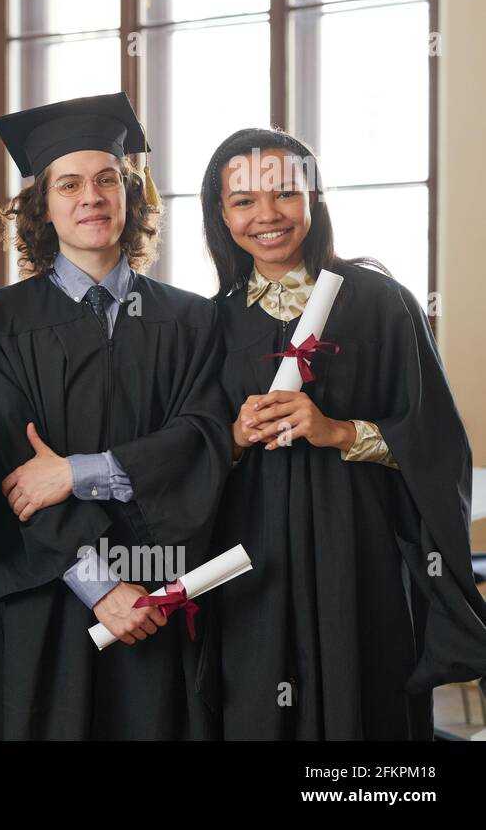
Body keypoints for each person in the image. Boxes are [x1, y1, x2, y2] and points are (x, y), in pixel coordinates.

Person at [202, 127, 486, 739]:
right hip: (250, 563)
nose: (267, 215)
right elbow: (187, 452)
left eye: (285, 193)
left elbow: (437, 445)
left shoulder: (381, 304)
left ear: (314, 198)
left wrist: (338, 431)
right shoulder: (210, 322)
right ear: (221, 216)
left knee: (363, 717)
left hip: (360, 555)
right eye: (243, 200)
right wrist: (233, 435)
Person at [0, 92, 228, 739]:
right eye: (69, 183)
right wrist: (100, 587)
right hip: (48, 594)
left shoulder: (191, 320)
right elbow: (2, 465)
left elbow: (201, 440)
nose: (90, 196)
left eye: (106, 179)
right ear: (44, 205)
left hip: (156, 594)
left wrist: (80, 472)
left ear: (129, 194)